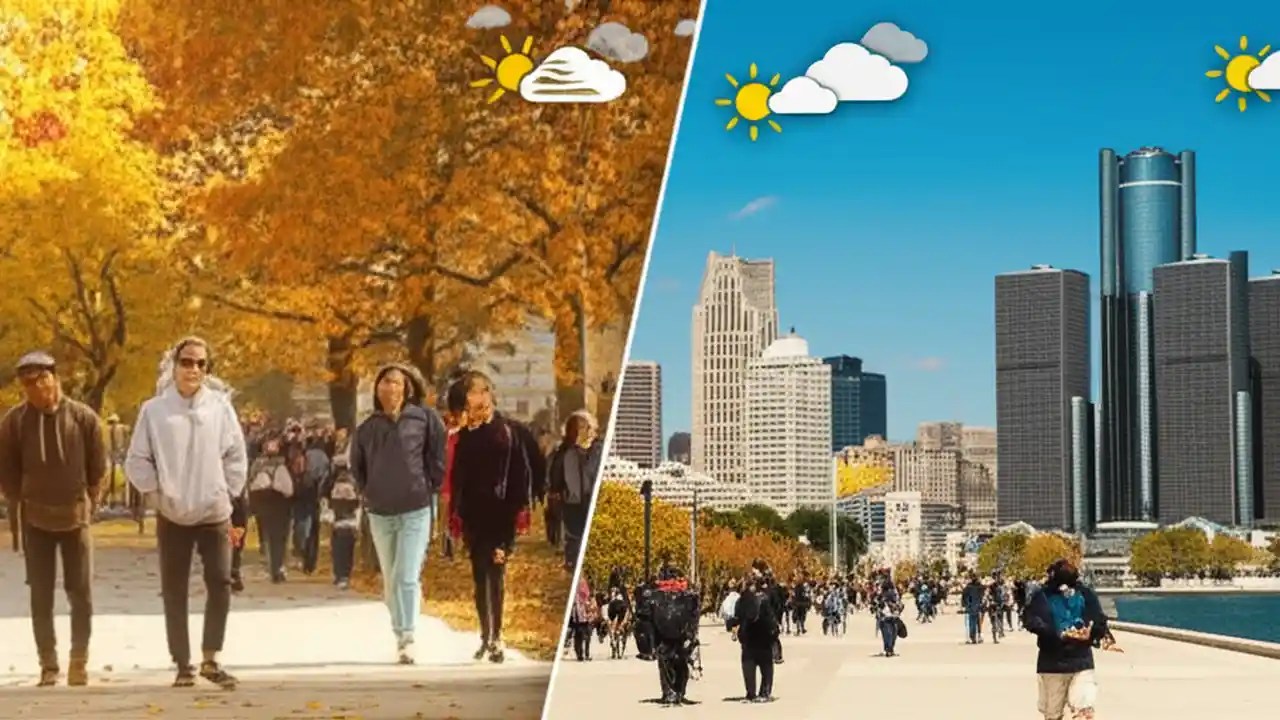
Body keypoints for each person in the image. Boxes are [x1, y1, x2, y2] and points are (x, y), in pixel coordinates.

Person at [125, 337, 247, 689]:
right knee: (174, 589)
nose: (193, 369)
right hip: (173, 514)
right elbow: (137, 459)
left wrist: (227, 491)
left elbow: (236, 454)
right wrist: (158, 496)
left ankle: (211, 657)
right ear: (174, 364)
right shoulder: (154, 411)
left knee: (221, 583)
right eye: (187, 361)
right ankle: (182, 663)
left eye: (200, 364)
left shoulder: (220, 408)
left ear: (207, 370)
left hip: (214, 512)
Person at [0, 351, 107, 687]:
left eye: (41, 379)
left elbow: (98, 467)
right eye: (28, 383)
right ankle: (48, 663)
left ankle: (79, 659)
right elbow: (8, 471)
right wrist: (21, 498)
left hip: (75, 516)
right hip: (35, 519)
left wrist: (91, 502)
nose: (36, 388)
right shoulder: (14, 422)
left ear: (54, 378)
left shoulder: (83, 418)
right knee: (41, 594)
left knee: (81, 592)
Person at [350, 363, 445, 664]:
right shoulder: (367, 428)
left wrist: (429, 486)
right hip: (380, 512)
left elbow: (437, 457)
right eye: (384, 383)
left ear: (407, 387)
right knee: (391, 580)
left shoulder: (425, 419)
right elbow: (357, 468)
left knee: (405, 575)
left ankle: (407, 637)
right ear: (377, 389)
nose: (390, 388)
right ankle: (399, 630)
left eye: (396, 382)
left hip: (416, 508)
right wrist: (370, 492)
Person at [448, 370, 542, 664]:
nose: (477, 398)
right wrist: (454, 514)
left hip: (501, 515)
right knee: (479, 576)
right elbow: (458, 477)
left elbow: (521, 472)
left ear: (490, 395)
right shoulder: (464, 437)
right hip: (474, 515)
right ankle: (485, 635)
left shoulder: (507, 431)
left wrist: (521, 509)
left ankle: (498, 637)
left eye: (481, 392)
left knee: (497, 572)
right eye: (471, 394)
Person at [1022, 558, 1110, 720]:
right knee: (1075, 712)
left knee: (1063, 713)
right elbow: (1099, 619)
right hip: (1067, 661)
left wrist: (1090, 632)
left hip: (1061, 662)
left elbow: (1031, 621)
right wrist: (1089, 633)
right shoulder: (1084, 594)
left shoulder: (1043, 595)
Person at [547, 410, 602, 571]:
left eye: (584, 427)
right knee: (573, 537)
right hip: (571, 502)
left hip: (590, 500)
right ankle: (573, 563)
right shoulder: (563, 452)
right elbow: (554, 475)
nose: (580, 432)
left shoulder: (597, 450)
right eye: (575, 428)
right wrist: (556, 493)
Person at [731, 569, 778, 703]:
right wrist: (774, 633)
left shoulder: (742, 599)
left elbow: (736, 617)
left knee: (748, 665)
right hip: (764, 638)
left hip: (748, 638)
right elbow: (772, 616)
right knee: (766, 666)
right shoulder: (765, 598)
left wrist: (736, 631)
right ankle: (765, 692)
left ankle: (750, 693)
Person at [320, 455, 360, 589]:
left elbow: (323, 494)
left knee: (337, 548)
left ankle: (339, 574)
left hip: (336, 518)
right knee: (349, 548)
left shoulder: (331, 480)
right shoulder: (354, 479)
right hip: (351, 518)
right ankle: (345, 575)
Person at [569, 576, 596, 661]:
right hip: (579, 619)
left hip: (583, 619)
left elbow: (591, 604)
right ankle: (581, 654)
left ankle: (583, 654)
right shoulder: (577, 598)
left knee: (582, 637)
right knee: (581, 637)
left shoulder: (585, 598)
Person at [875, 580, 904, 657]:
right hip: (893, 616)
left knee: (886, 634)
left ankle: (888, 649)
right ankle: (890, 649)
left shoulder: (881, 595)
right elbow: (899, 604)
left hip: (884, 617)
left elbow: (876, 604)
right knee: (893, 633)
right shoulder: (894, 594)